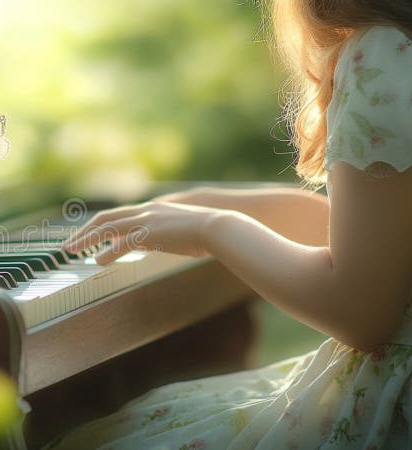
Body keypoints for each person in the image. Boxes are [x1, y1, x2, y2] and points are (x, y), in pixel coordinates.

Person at [50, 1, 412, 449]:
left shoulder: (385, 50)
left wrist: (213, 229)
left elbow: (362, 311)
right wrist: (218, 205)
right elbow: (385, 241)